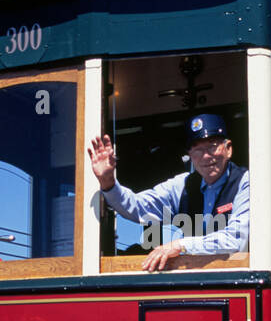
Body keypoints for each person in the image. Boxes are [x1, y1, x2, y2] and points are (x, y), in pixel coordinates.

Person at [88, 113, 249, 272]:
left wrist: (180, 245)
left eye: (212, 146)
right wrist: (107, 181)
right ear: (190, 157)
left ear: (228, 149)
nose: (206, 156)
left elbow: (236, 240)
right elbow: (137, 207)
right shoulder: (183, 185)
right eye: (198, 150)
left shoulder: (246, 181)